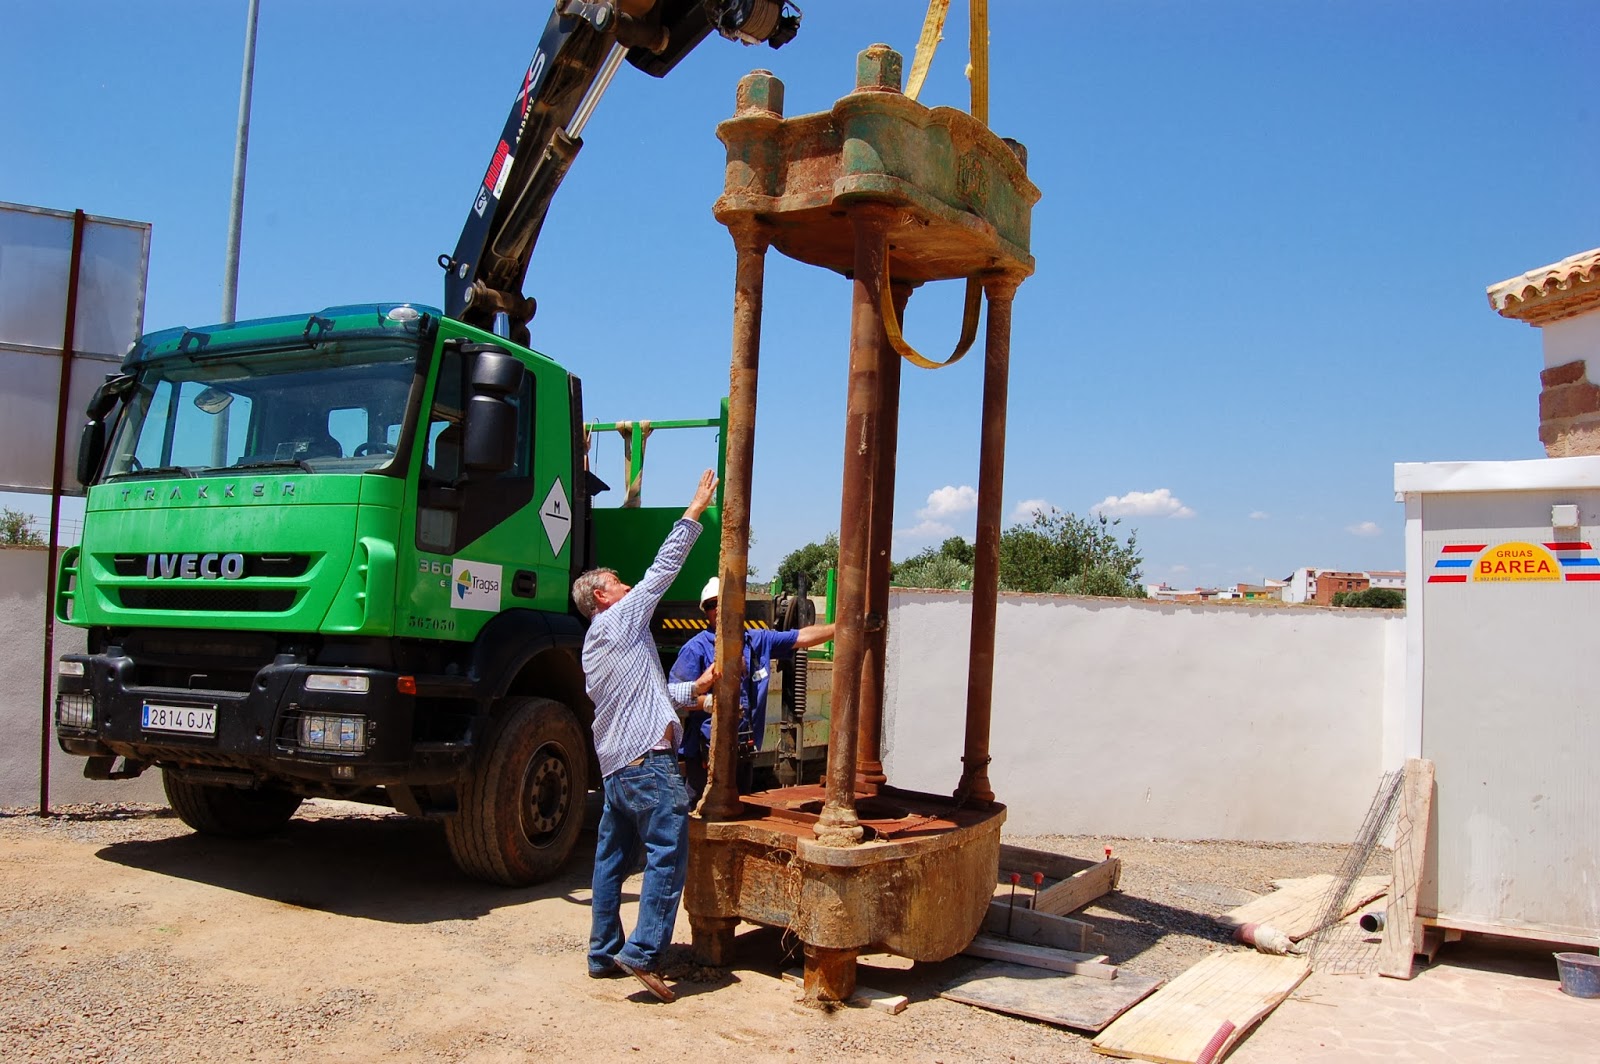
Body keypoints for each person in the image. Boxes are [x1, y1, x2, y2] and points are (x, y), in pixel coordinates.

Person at [571, 468, 720, 1005]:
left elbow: (647, 696)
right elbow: (661, 573)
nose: (630, 588)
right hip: (648, 764)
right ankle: (642, 951)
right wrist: (695, 509)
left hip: (617, 770)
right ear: (603, 598)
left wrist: (696, 689)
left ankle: (603, 951)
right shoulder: (620, 621)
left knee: (611, 860)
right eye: (619, 584)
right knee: (666, 853)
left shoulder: (598, 646)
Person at [669, 576, 835, 797]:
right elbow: (676, 698)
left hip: (743, 751)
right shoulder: (695, 649)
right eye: (711, 605)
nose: (718, 609)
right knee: (701, 812)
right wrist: (710, 702)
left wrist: (843, 627)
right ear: (706, 612)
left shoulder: (757, 641)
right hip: (705, 755)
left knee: (740, 806)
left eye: (723, 602)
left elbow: (801, 637)